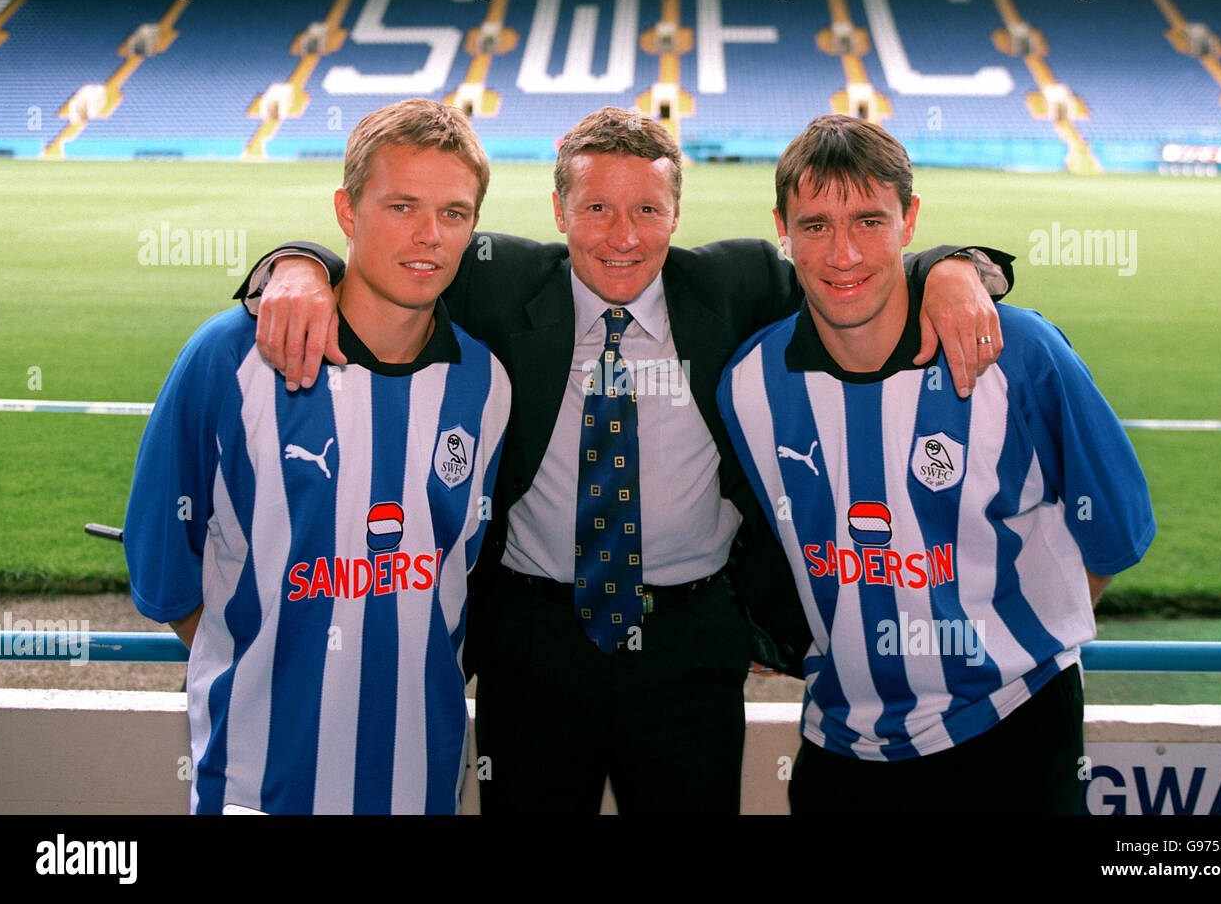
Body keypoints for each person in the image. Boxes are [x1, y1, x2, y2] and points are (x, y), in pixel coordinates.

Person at [233, 106, 1014, 814]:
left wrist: (951, 266)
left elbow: (850, 267)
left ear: (677, 213)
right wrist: (296, 264)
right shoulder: (498, 281)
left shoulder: (734, 283)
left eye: (647, 209)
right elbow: (393, 257)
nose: (623, 235)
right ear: (558, 211)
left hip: (690, 646)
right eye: (597, 208)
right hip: (534, 644)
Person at [717, 114, 1155, 814]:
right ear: (782, 228)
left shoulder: (1020, 352)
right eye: (815, 225)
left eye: (869, 220)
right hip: (842, 747)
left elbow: (1114, 534)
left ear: (910, 219)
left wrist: (1011, 649)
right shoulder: (747, 383)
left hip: (1014, 731)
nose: (843, 254)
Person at [124, 99, 511, 814]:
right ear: (345, 210)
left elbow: (461, 579)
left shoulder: (486, 384)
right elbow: (166, 574)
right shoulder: (228, 359)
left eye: (454, 214)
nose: (429, 236)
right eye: (401, 206)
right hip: (256, 791)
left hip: (420, 788)